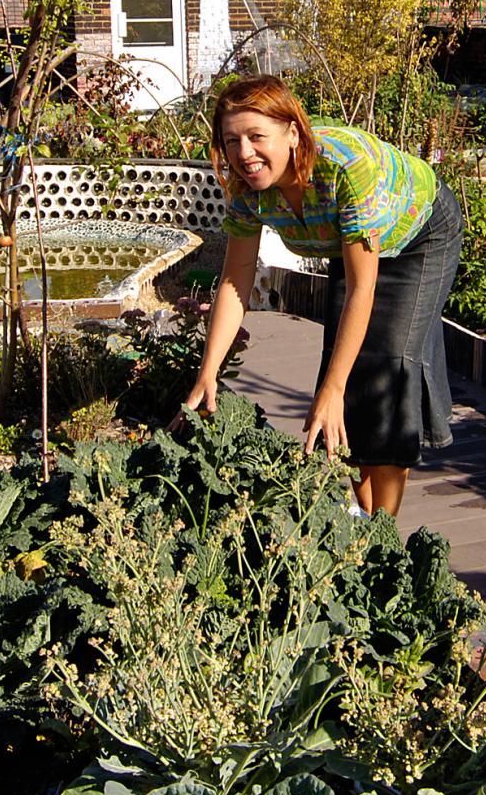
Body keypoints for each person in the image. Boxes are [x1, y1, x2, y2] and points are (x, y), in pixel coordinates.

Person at [178, 75, 463, 516]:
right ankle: (365, 517)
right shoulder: (245, 190)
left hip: (420, 234)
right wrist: (208, 370)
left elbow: (362, 287)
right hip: (354, 246)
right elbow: (236, 278)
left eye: (257, 137)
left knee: (384, 368)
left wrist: (334, 388)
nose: (244, 153)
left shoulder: (344, 170)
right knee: (342, 378)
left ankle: (382, 536)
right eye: (232, 140)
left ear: (292, 133)